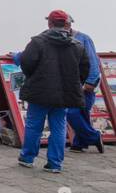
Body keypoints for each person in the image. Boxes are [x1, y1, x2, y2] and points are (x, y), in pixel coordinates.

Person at [14, 10, 87, 173]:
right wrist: (72, 85)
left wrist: (33, 78)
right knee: (59, 127)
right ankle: (55, 163)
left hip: (39, 93)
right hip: (64, 95)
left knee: (34, 125)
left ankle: (27, 158)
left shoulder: (38, 42)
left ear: (50, 23)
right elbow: (84, 70)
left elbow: (26, 63)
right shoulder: (77, 45)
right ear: (66, 24)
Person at [66, 16, 104, 154]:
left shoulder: (83, 38)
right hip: (73, 84)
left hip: (85, 84)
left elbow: (93, 62)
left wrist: (90, 82)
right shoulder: (63, 39)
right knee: (82, 114)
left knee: (72, 113)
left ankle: (94, 137)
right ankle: (80, 143)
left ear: (68, 24)